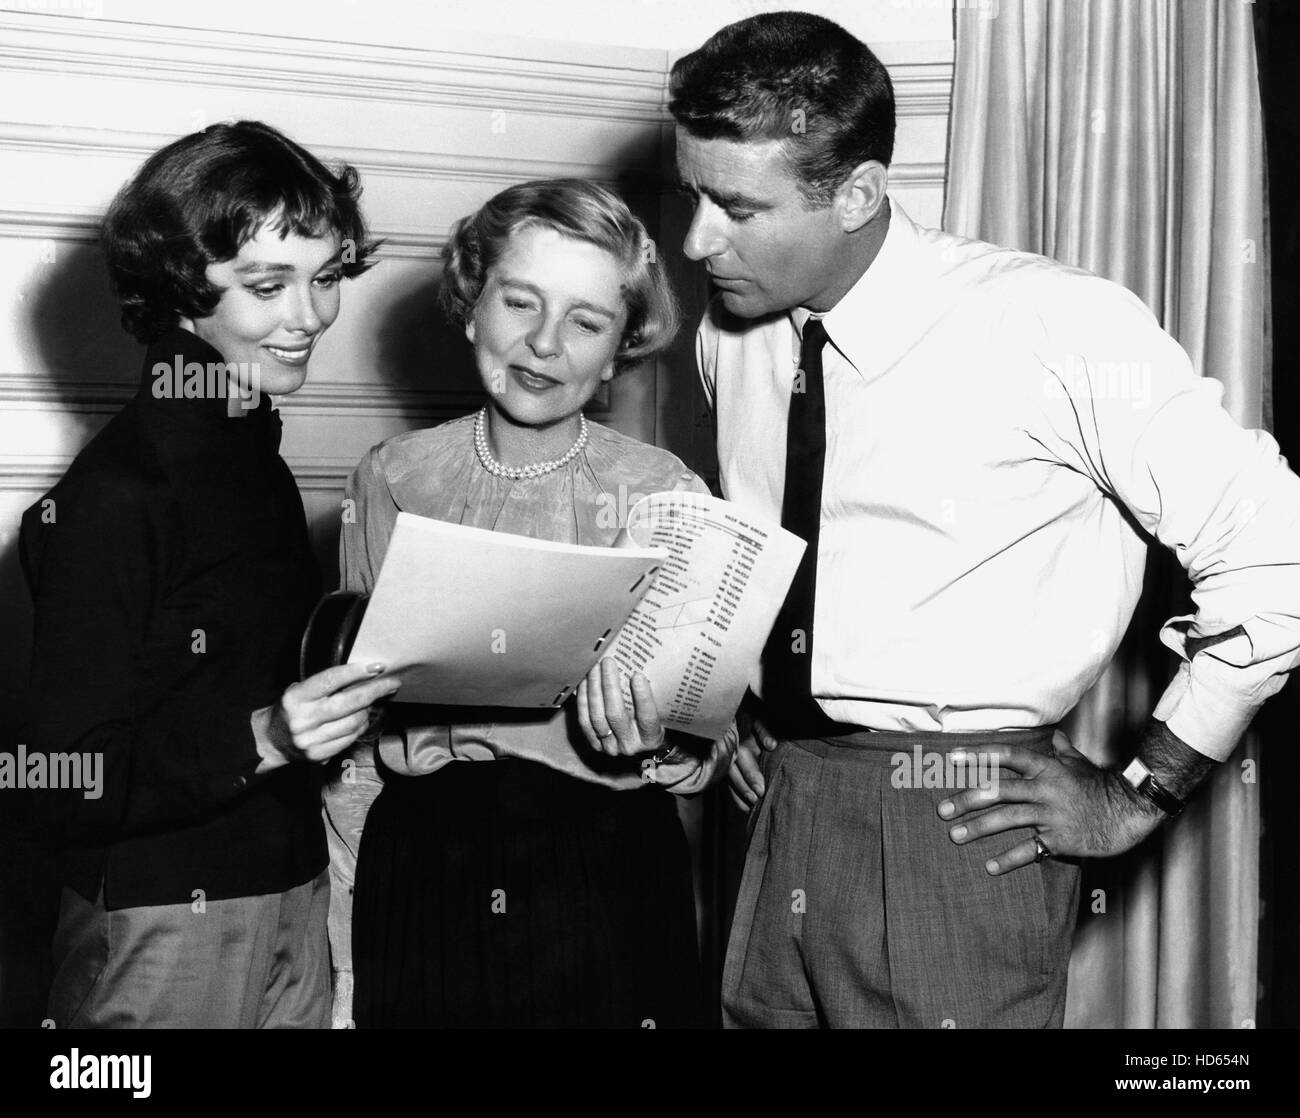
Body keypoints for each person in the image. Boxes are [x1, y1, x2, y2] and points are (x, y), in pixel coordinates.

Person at [669, 11, 1300, 1028]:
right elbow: (765, 548)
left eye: (736, 206)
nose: (698, 241)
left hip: (953, 817)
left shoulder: (1053, 325)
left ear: (860, 194)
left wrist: (1139, 789)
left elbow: (1278, 554)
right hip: (768, 805)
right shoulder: (730, 330)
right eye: (693, 193)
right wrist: (737, 714)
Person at [324, 179, 733, 1029]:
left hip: (608, 870)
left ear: (621, 347)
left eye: (586, 321)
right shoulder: (392, 478)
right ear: (472, 305)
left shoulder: (664, 492)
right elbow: (354, 746)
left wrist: (668, 746)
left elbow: (708, 742)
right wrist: (344, 953)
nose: (544, 344)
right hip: (424, 870)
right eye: (520, 303)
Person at [20, 121, 400, 1029]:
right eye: (268, 286)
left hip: (290, 886)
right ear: (181, 289)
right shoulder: (121, 489)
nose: (308, 318)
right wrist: (267, 735)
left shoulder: (247, 444)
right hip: (158, 920)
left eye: (326, 278)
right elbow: (57, 776)